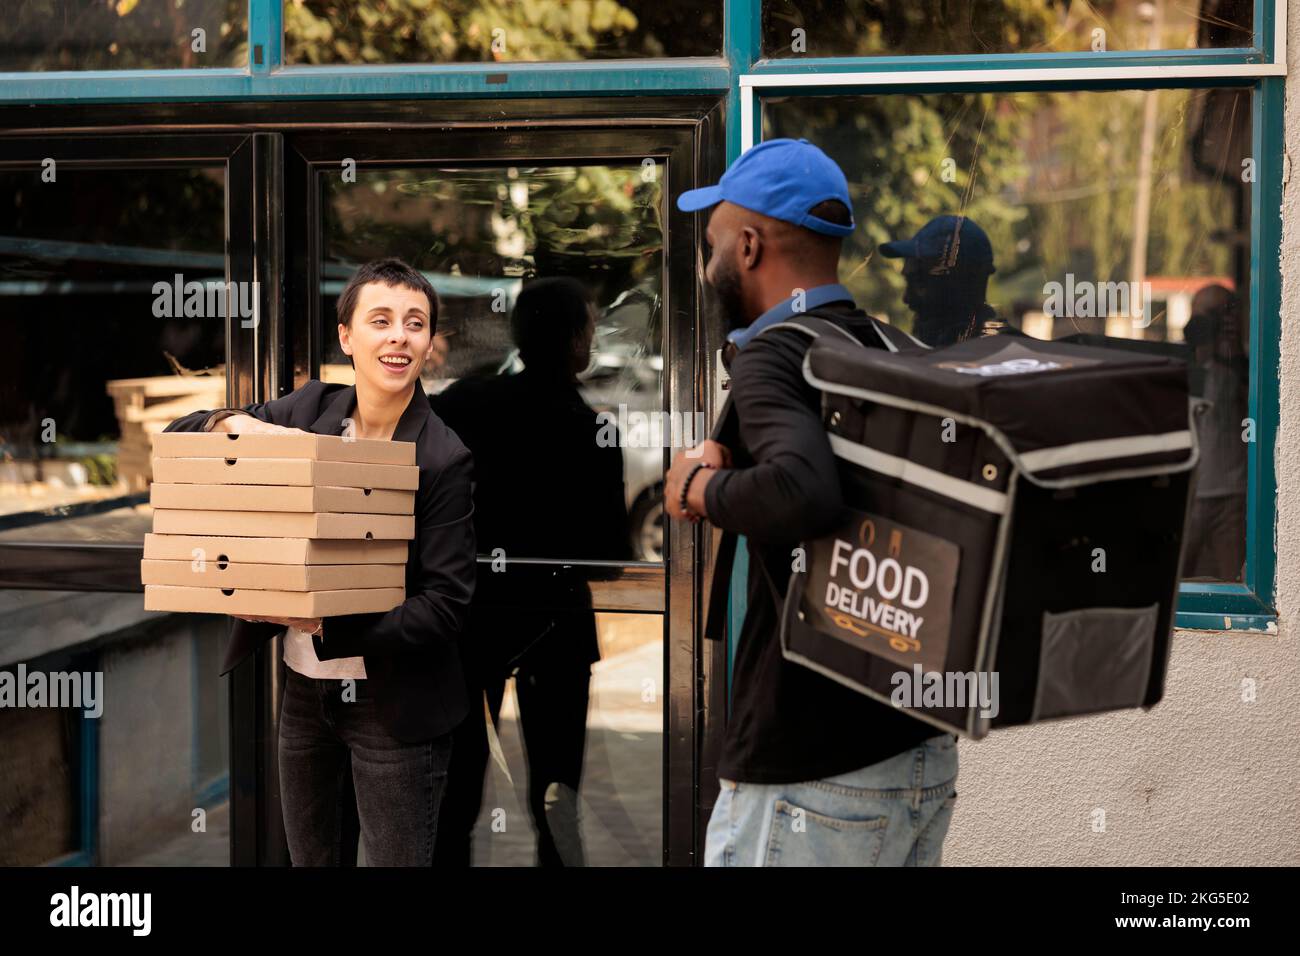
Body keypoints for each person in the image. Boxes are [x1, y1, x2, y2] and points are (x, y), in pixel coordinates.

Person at [666, 138, 958, 867]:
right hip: (916, 751)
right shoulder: (889, 349)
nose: (709, 266)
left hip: (812, 771)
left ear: (751, 245)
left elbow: (804, 489)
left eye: (714, 245)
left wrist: (697, 488)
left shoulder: (776, 352)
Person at [163, 258, 477, 866]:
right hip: (305, 696)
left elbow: (445, 607)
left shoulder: (443, 457)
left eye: (415, 324)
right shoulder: (309, 410)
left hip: (397, 709)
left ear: (429, 343)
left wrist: (327, 625)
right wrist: (234, 425)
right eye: (380, 320)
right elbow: (182, 435)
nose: (398, 337)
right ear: (346, 337)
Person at [431, 277, 632, 866]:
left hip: (469, 626)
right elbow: (611, 559)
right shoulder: (592, 429)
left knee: (454, 803)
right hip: (555, 630)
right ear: (573, 341)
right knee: (556, 805)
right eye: (589, 329)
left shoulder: (464, 403)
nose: (592, 341)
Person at [1182, 283, 1248, 581]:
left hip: (1232, 495)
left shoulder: (1242, 366)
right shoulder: (1183, 365)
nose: (1212, 322)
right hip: (1190, 493)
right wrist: (1197, 348)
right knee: (1174, 579)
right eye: (1205, 314)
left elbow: (1257, 409)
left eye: (1221, 313)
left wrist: (1233, 356)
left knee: (1233, 583)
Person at [879, 214, 1015, 346]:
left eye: (919, 282)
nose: (906, 299)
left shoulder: (1006, 361)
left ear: (960, 284)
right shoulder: (1015, 354)